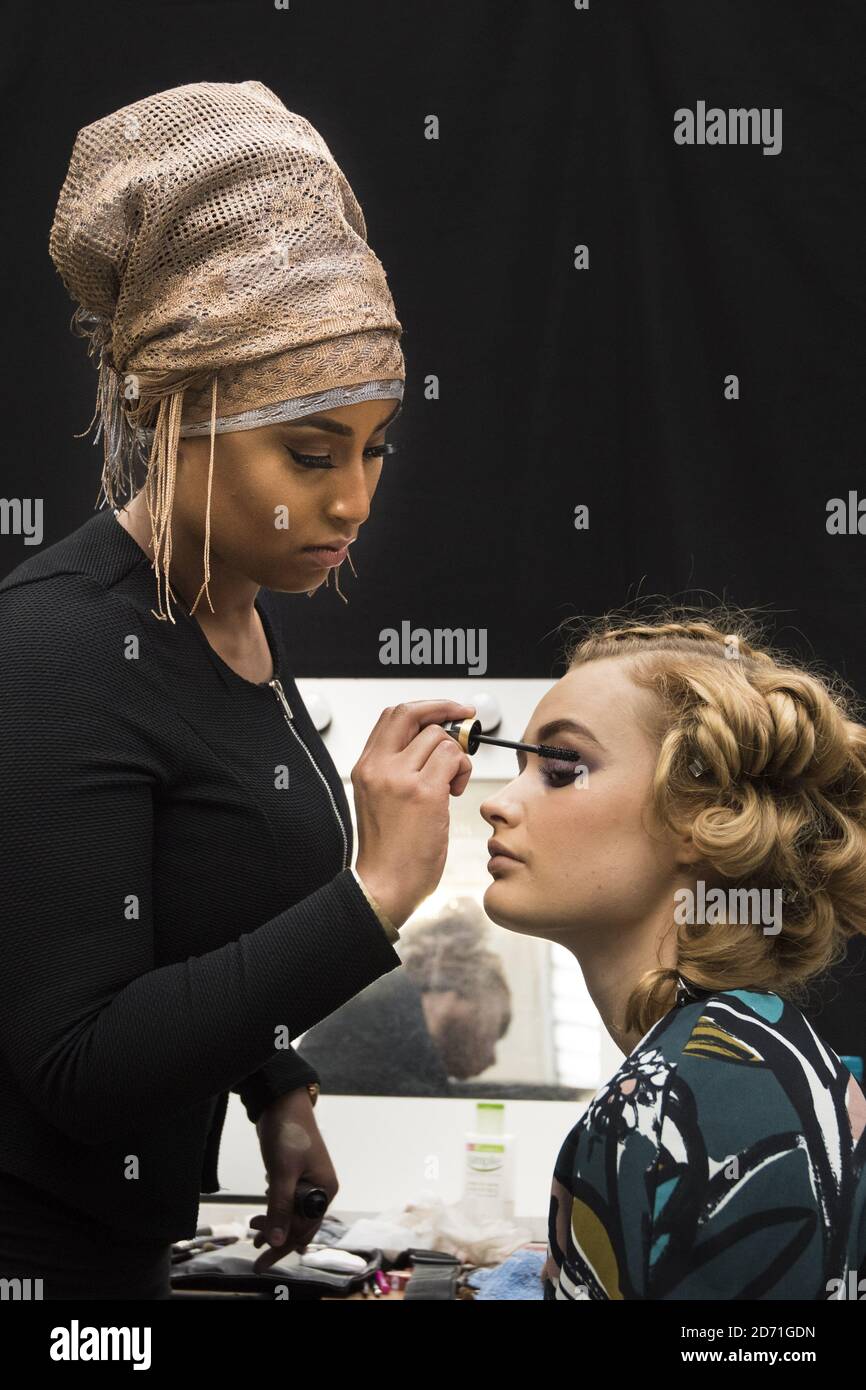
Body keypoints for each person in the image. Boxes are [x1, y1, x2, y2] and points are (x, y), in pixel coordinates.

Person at [0, 79, 474, 1299]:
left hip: (129, 1252)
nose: (354, 502)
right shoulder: (57, 646)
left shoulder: (233, 616)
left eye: (374, 450)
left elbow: (187, 916)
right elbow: (79, 1062)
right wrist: (376, 895)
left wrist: (279, 1088)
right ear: (169, 414)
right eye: (309, 456)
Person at [479, 610, 866, 1299]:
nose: (499, 804)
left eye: (562, 769)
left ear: (702, 817)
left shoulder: (661, 1113)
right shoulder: (775, 1057)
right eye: (517, 769)